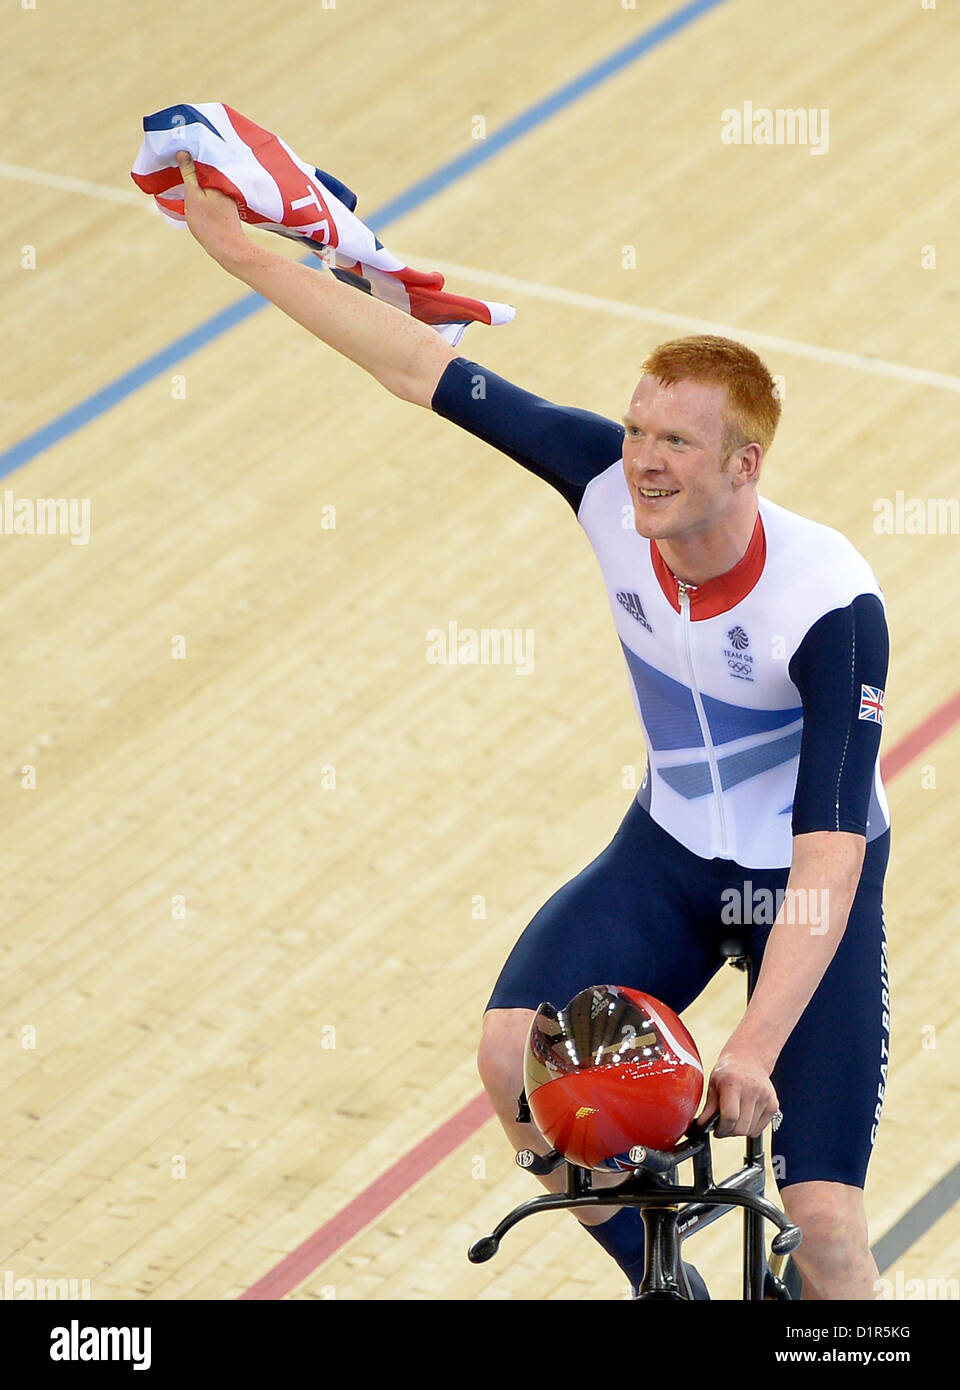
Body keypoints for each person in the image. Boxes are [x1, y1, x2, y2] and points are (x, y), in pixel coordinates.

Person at [174, 152, 891, 1301]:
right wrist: (236, 250)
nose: (643, 461)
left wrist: (752, 1046)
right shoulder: (602, 481)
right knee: (513, 1056)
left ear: (745, 464)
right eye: (638, 429)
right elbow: (418, 365)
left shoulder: (827, 601)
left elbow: (831, 857)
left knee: (829, 1231)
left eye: (676, 444)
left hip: (801, 887)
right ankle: (665, 1282)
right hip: (669, 852)